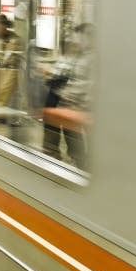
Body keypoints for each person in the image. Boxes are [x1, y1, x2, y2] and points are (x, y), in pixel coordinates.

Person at [42, 23, 94, 169]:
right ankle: (76, 162)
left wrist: (80, 103)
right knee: (71, 135)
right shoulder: (79, 56)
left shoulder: (93, 58)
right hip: (70, 102)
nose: (78, 41)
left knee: (82, 137)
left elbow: (91, 84)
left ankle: (83, 164)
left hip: (83, 105)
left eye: (81, 38)